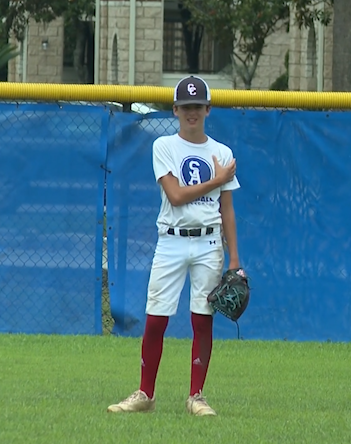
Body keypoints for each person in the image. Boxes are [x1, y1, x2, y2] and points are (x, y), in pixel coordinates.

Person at [107, 75, 241, 416]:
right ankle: (145, 394)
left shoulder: (221, 152)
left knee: (202, 318)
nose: (191, 112)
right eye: (185, 107)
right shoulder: (164, 146)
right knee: (156, 319)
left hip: (209, 242)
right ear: (175, 110)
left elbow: (227, 209)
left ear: (208, 109)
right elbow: (176, 196)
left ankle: (197, 396)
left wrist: (235, 260)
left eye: (197, 106)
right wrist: (217, 179)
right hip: (171, 242)